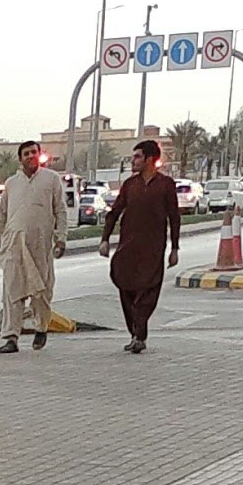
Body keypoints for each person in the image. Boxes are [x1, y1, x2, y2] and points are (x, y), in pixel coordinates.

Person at [100, 136, 181, 353]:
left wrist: (174, 248)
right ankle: (134, 332)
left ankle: (140, 334)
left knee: (148, 291)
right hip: (128, 247)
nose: (133, 161)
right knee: (125, 286)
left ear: (149, 159)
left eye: (137, 157)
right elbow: (114, 212)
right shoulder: (129, 185)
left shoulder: (165, 185)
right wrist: (105, 240)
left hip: (153, 248)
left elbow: (174, 216)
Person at [0, 144, 69, 353]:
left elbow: (60, 210)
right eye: (26, 154)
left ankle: (41, 328)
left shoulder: (51, 179)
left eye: (34, 152)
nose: (31, 157)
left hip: (40, 245)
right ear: (20, 159)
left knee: (41, 291)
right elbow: (2, 216)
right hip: (13, 245)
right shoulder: (11, 183)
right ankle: (11, 337)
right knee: (12, 291)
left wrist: (61, 238)